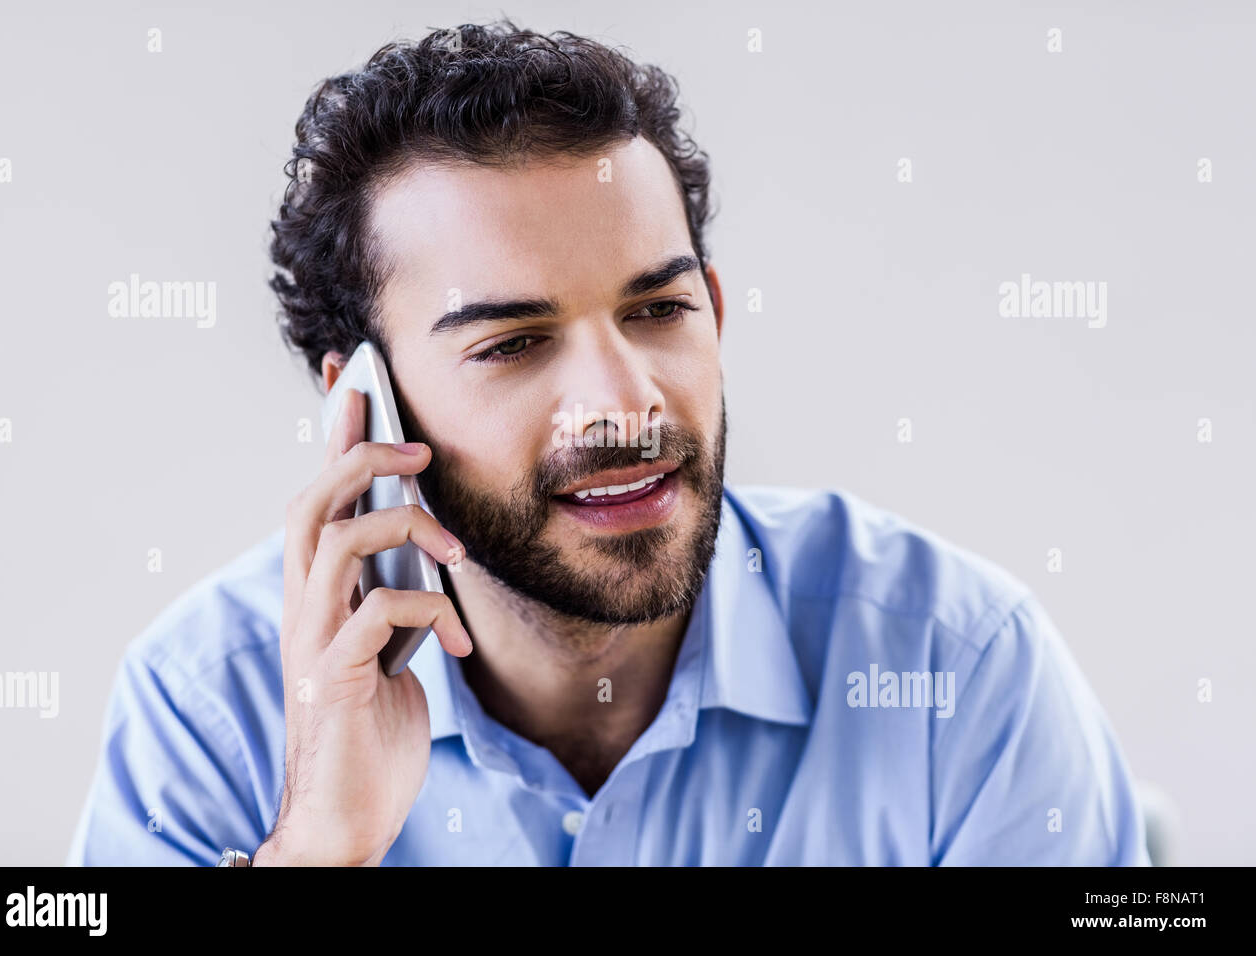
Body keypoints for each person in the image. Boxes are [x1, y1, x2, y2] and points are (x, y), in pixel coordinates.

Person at [67, 18, 1150, 866]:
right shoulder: (209, 701)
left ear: (714, 314)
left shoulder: (952, 664)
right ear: (363, 403)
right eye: (512, 342)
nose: (621, 404)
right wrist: (312, 851)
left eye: (655, 311)